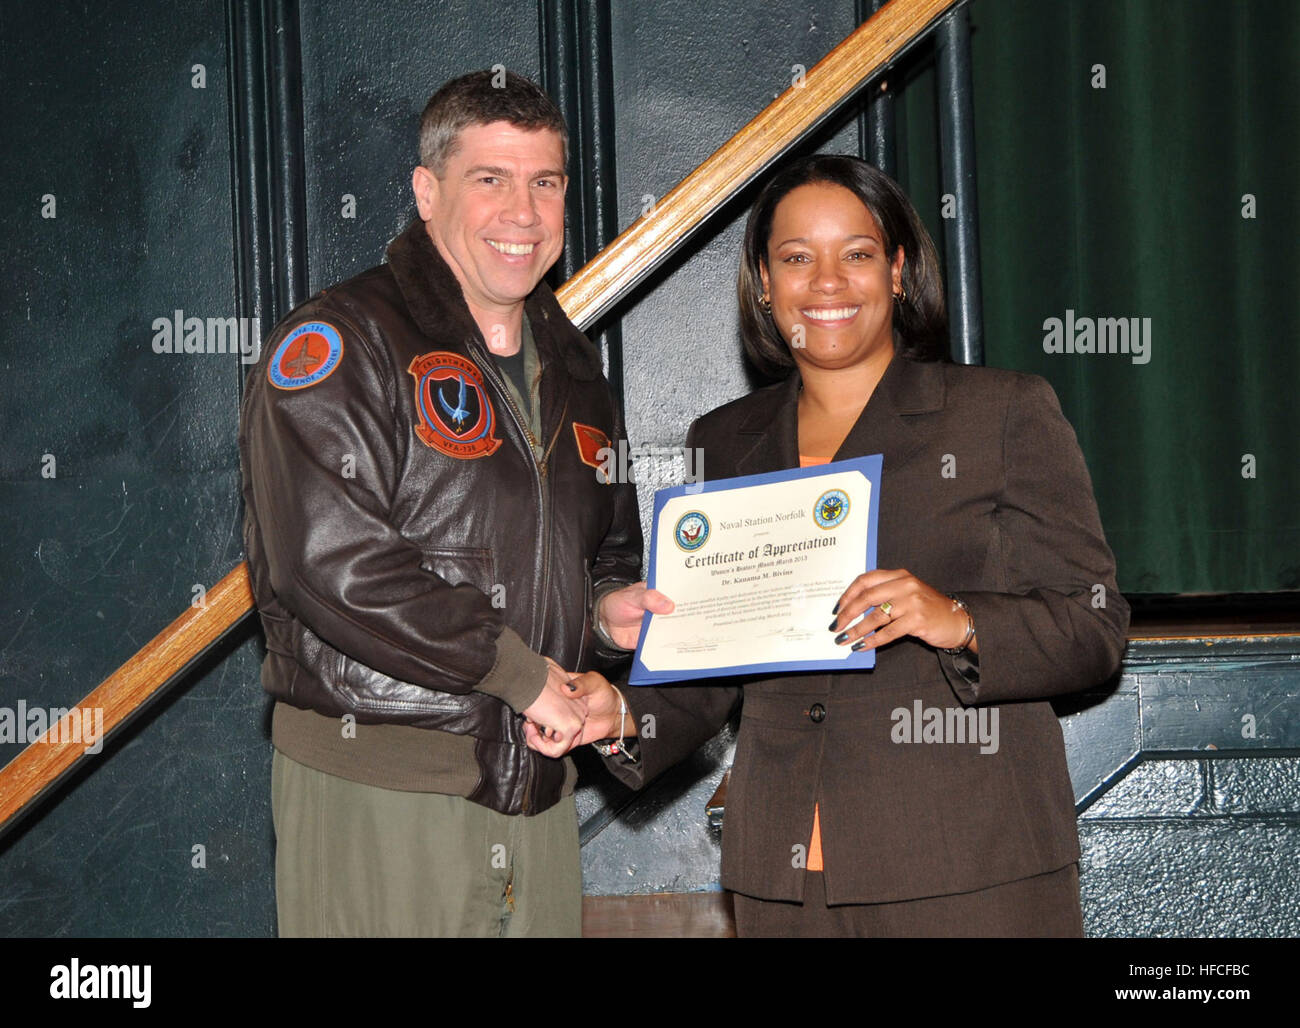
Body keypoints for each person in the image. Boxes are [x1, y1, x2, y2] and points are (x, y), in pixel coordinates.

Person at [557, 154, 1130, 936]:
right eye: (797, 258)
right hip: (783, 881)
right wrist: (620, 709)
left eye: (856, 254)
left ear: (897, 270)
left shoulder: (1001, 414)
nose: (827, 282)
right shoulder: (723, 441)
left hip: (968, 870)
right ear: (764, 282)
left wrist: (954, 617)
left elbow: (1093, 629)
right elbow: (712, 662)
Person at [238, 69, 661, 937]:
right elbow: (330, 565)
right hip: (384, 780)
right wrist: (516, 673)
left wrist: (611, 614)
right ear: (427, 193)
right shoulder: (342, 341)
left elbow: (608, 554)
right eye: (491, 180)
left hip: (540, 784)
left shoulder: (578, 373)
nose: (524, 213)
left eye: (545, 183)